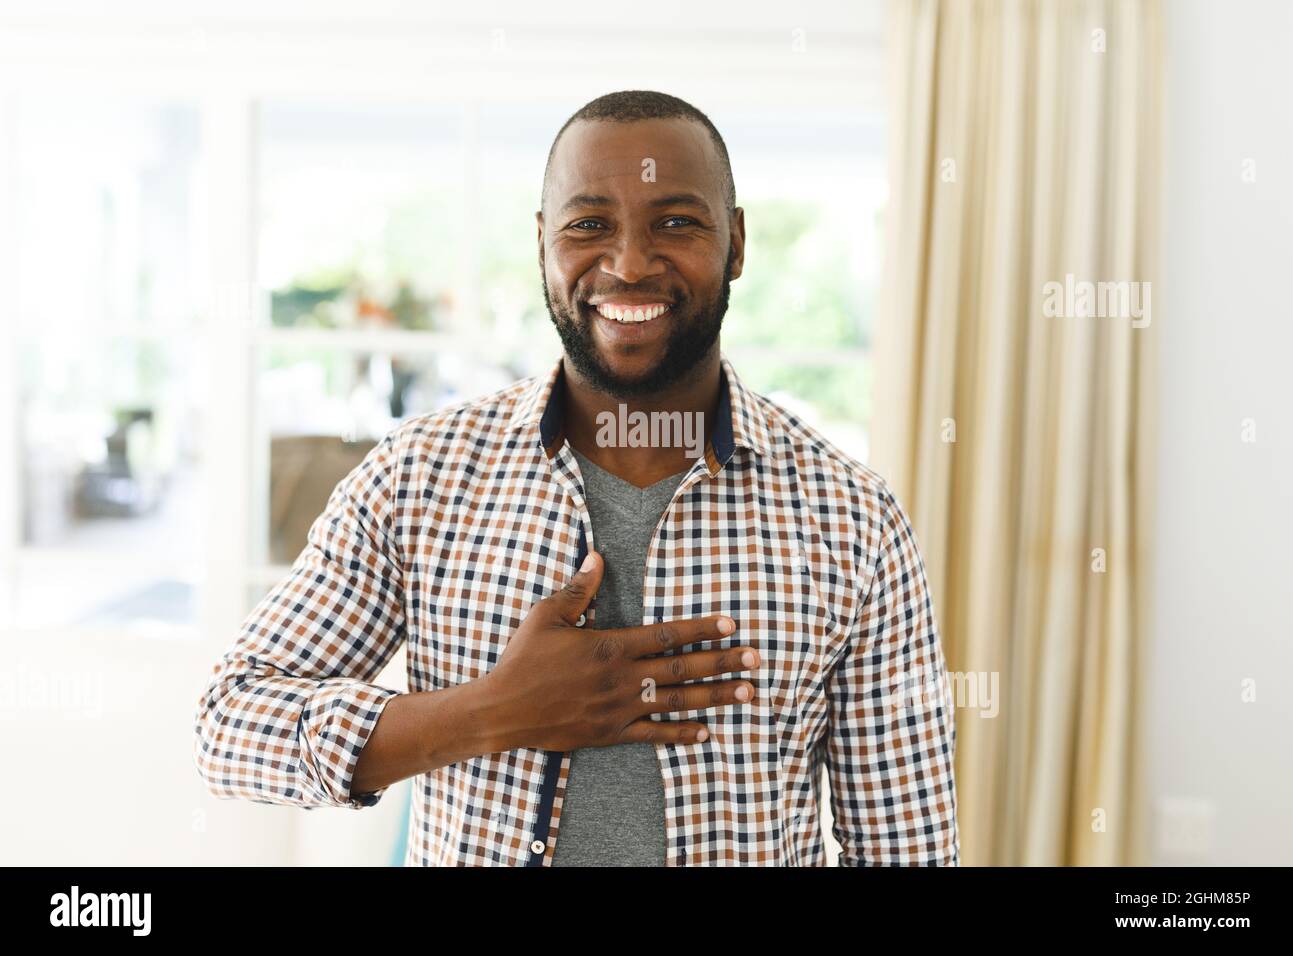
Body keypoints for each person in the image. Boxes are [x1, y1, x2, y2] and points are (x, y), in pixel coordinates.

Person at [193, 90, 959, 867]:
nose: (629, 264)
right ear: (541, 244)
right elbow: (229, 727)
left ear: (735, 243)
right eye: (589, 225)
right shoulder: (417, 479)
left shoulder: (853, 519)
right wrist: (493, 712)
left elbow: (909, 848)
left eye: (676, 222)